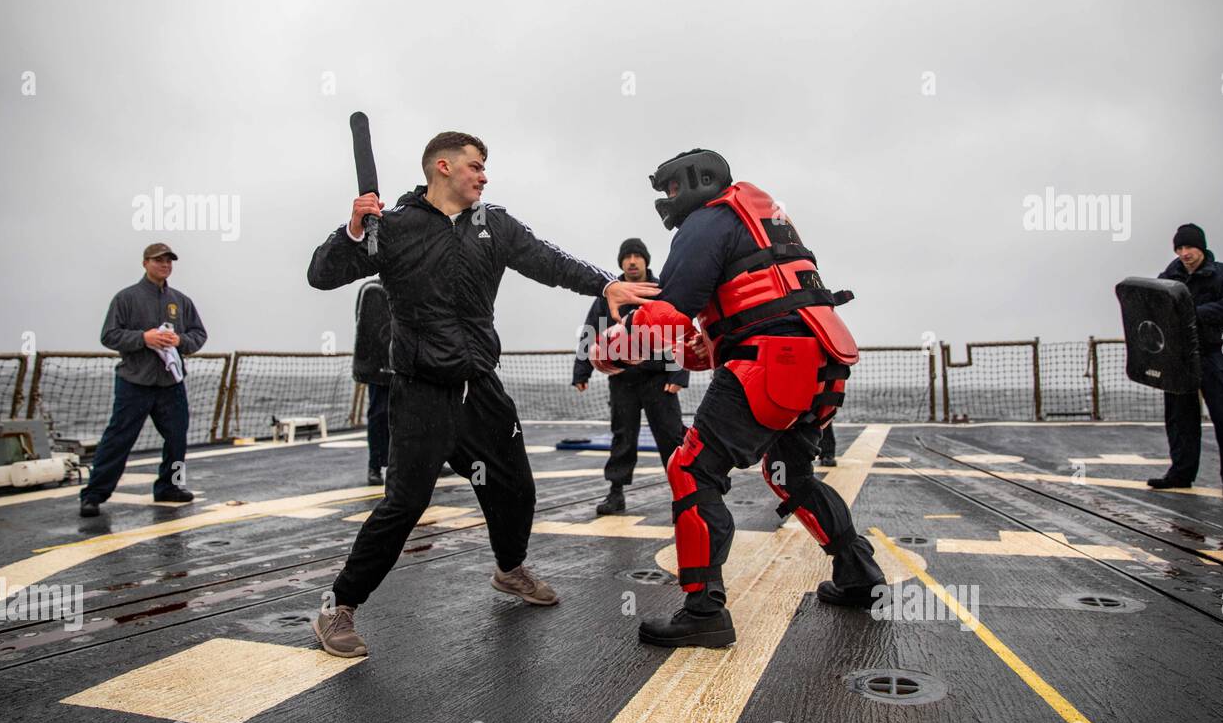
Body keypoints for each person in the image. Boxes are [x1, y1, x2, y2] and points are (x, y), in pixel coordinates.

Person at [306, 131, 658, 657]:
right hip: (420, 391)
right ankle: (338, 608)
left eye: (485, 167)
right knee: (404, 505)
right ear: (442, 167)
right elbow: (321, 275)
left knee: (516, 489)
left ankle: (510, 569)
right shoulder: (394, 228)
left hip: (481, 389)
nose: (484, 175)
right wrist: (353, 230)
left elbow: (549, 261)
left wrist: (605, 283)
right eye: (476, 166)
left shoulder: (494, 224)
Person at [591, 148, 886, 648]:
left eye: (670, 190)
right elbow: (761, 306)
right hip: (823, 364)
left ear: (695, 183)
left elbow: (669, 311)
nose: (668, 201)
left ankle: (704, 609)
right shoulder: (765, 220)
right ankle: (857, 571)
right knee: (790, 474)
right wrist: (705, 347)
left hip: (771, 363)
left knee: (691, 468)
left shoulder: (708, 221)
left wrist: (608, 348)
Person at [79, 243, 206, 517]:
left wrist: (180, 340)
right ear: (145, 263)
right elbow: (109, 335)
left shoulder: (180, 301)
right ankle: (93, 495)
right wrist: (143, 338)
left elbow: (199, 335)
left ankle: (170, 487)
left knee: (177, 437)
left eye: (169, 261)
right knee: (119, 438)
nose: (165, 265)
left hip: (170, 382)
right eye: (159, 260)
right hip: (134, 382)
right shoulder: (126, 298)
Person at [573, 238, 687, 515]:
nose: (632, 261)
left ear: (646, 260)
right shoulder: (609, 293)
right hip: (622, 381)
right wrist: (582, 369)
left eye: (637, 256)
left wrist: (679, 374)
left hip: (659, 380)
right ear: (621, 262)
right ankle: (616, 493)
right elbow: (591, 330)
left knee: (671, 437)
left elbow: (679, 331)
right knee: (622, 436)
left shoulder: (662, 291)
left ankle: (684, 495)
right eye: (627, 257)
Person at [1148, 223, 1223, 497]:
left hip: (1214, 351)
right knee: (1179, 418)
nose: (1184, 253)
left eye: (1189, 247)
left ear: (1201, 247)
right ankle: (1181, 473)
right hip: (1178, 356)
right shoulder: (1168, 277)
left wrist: (1189, 312)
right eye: (1179, 248)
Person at [353, 277, 391, 486]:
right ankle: (375, 466)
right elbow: (363, 329)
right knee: (378, 415)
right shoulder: (371, 291)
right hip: (379, 368)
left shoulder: (370, 290)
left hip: (404, 365)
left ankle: (428, 463)